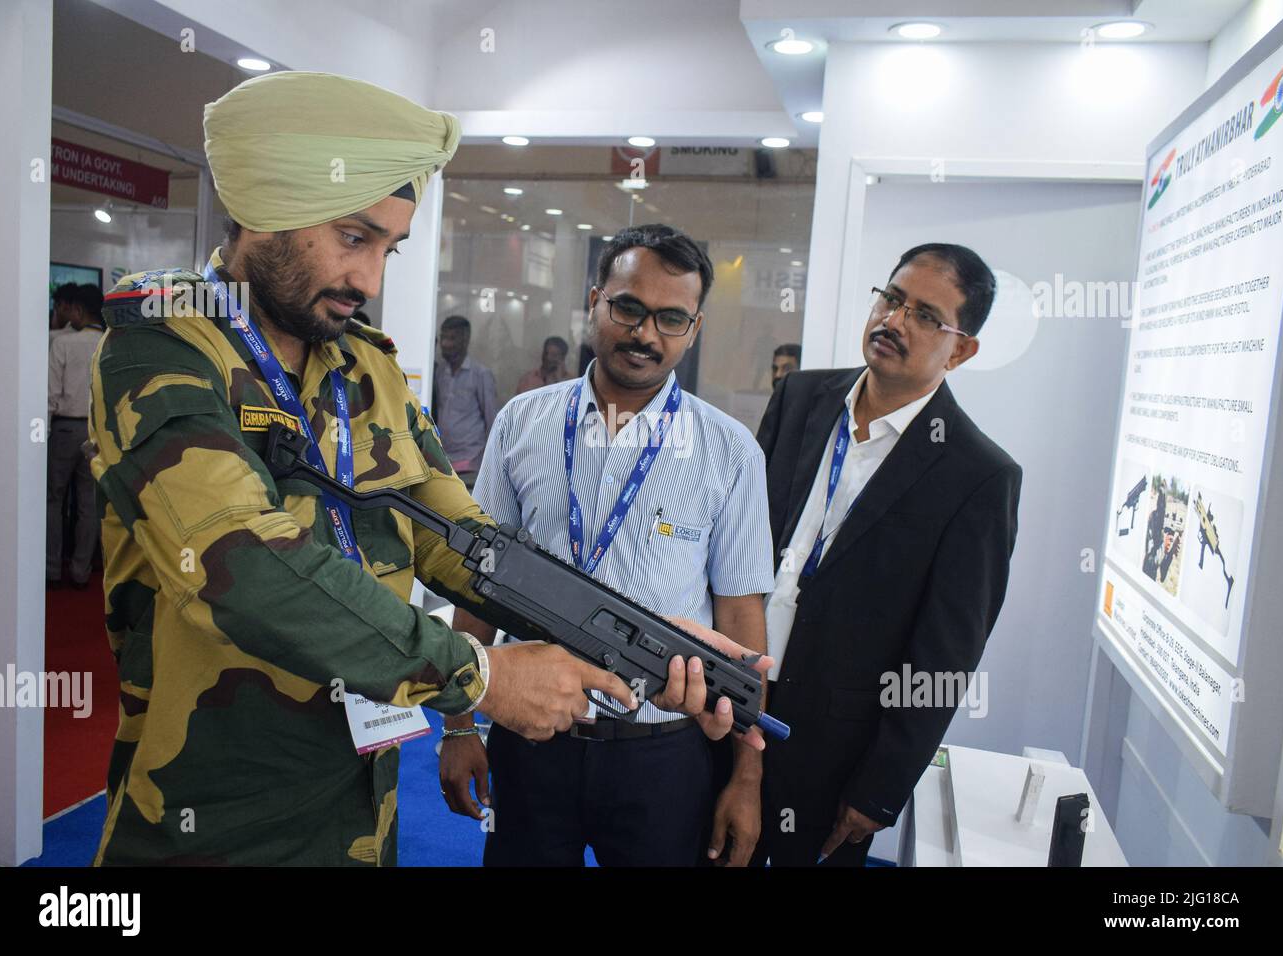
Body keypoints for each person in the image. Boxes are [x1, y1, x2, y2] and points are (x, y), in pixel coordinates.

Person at [87, 71, 758, 867]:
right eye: (352, 236)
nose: (370, 281)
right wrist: (478, 679)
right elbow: (243, 563)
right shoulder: (163, 344)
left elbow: (463, 542)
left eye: (388, 248)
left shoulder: (363, 366)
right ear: (264, 208)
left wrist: (637, 638)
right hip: (213, 805)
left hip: (357, 797)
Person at [439, 224, 776, 867]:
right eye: (628, 307)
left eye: (670, 318)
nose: (645, 334)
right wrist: (459, 723)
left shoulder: (730, 450)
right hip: (532, 735)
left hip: (664, 753)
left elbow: (740, 618)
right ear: (596, 300)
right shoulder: (522, 421)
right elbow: (477, 578)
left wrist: (748, 778)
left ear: (693, 329)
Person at [754, 243, 1021, 867]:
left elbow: (946, 654)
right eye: (892, 298)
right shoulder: (799, 398)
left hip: (834, 753)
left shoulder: (977, 474)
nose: (895, 321)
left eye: (927, 316)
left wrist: (880, 789)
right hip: (730, 706)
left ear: (961, 350)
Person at [46, 283, 105, 587]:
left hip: (65, 428)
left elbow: (51, 396)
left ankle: (52, 569)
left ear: (78, 311)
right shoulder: (110, 342)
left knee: (54, 500)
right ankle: (81, 571)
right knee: (88, 504)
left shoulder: (62, 344)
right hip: (98, 433)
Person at [433, 315, 497, 485]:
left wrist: (488, 462)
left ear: (465, 340)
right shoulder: (440, 373)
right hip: (443, 459)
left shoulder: (481, 374)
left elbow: (492, 422)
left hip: (470, 462)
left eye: (452, 338)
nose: (445, 344)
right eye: (443, 337)